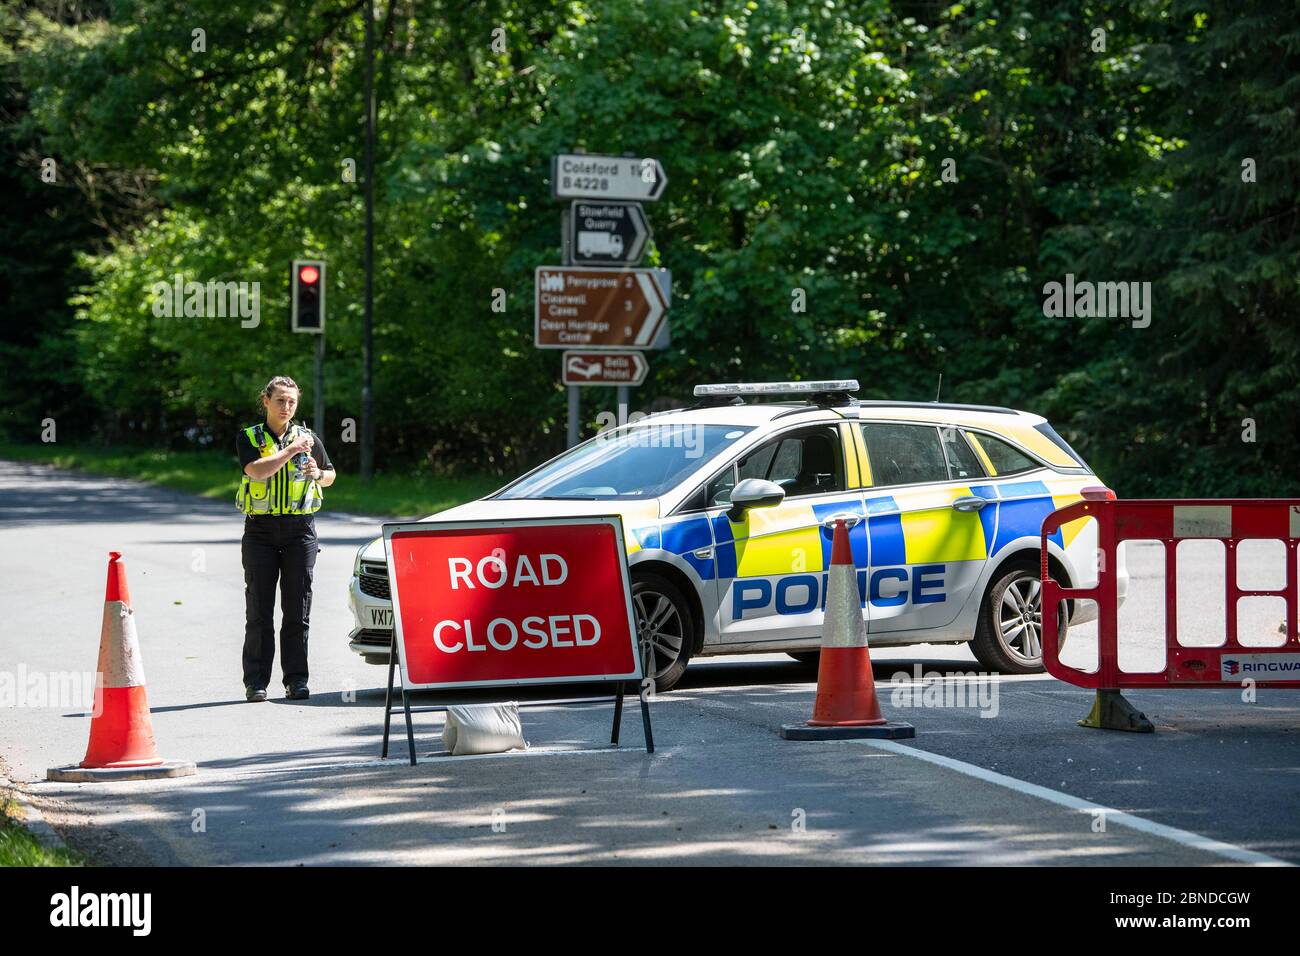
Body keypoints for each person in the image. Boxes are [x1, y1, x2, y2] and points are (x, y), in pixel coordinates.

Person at [236, 376, 336, 702]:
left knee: (297, 609)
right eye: (280, 400)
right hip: (260, 532)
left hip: (300, 531)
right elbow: (256, 471)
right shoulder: (249, 436)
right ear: (266, 401)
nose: (287, 407)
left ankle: (296, 680)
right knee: (260, 611)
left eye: (292, 401)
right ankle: (256, 682)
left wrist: (317, 474)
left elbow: (331, 474)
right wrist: (290, 451)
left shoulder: (309, 438)